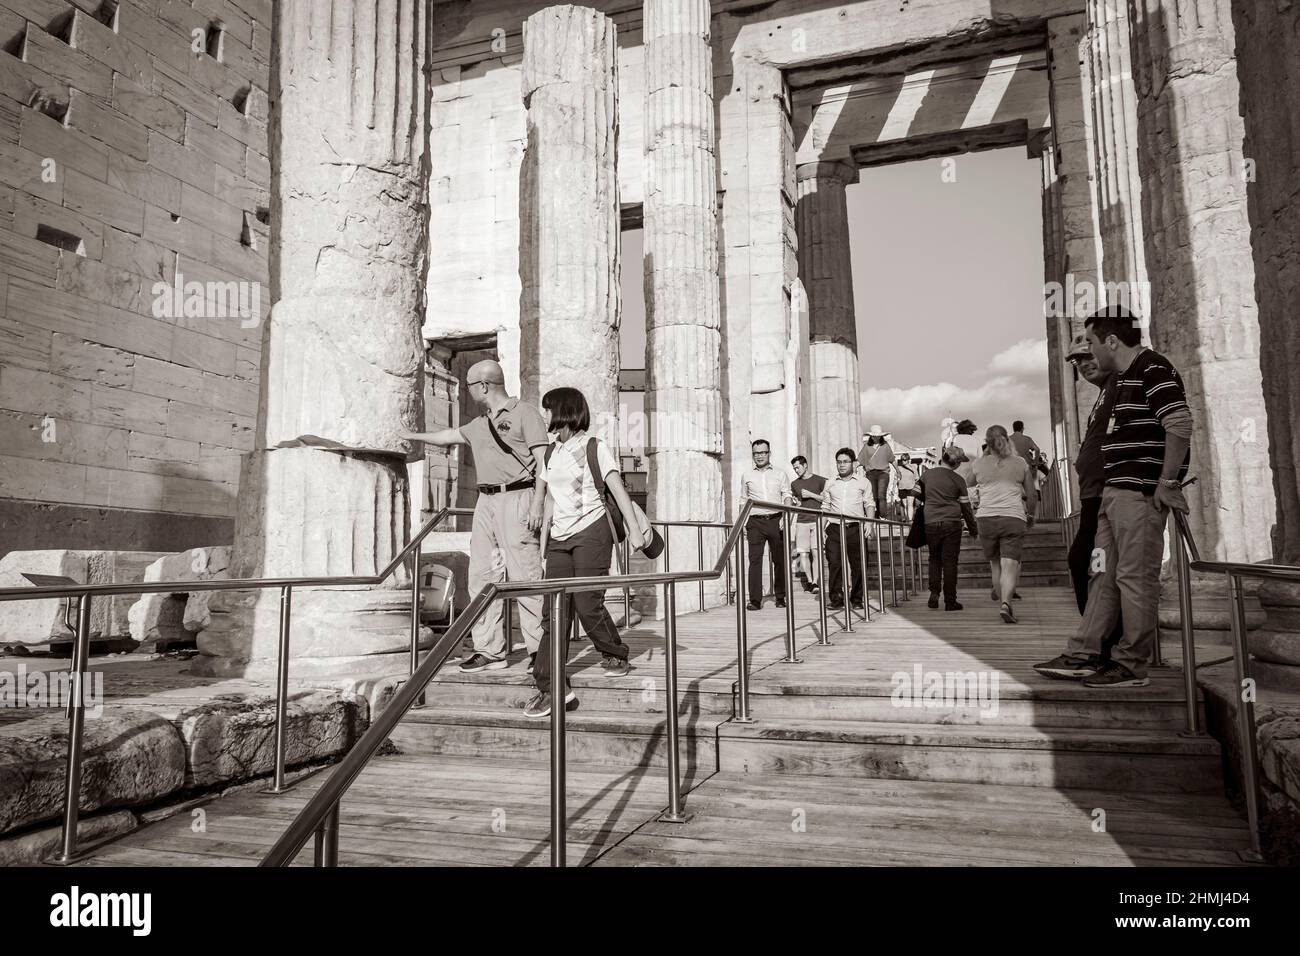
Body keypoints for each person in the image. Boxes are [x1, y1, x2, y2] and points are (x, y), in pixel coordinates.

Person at [1035, 306, 1191, 688]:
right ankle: (1085, 651)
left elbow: (1180, 421)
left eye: (1089, 342)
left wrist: (1167, 482)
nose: (1087, 353)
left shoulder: (1153, 368)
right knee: (1101, 574)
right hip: (1112, 494)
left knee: (1134, 578)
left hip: (1139, 494)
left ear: (1110, 341)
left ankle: (1132, 664)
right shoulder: (1120, 381)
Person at [401, 360, 546, 673]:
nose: (466, 390)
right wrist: (412, 435)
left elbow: (542, 461)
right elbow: (448, 436)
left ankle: (539, 651)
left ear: (484, 385)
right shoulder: (480, 423)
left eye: (468, 385)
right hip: (486, 501)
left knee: (526, 575)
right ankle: (490, 649)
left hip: (518, 496)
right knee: (482, 575)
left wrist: (538, 503)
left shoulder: (525, 412)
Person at [523, 387, 653, 719]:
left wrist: (636, 531)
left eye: (548, 409)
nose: (545, 415)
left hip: (592, 531)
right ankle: (549, 685)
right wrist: (543, 545)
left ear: (564, 411)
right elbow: (550, 498)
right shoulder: (550, 454)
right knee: (553, 610)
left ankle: (614, 651)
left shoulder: (594, 447)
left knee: (586, 601)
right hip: (559, 538)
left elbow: (616, 489)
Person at [1064, 333, 1124, 662]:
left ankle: (1103, 643)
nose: (1083, 365)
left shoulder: (1119, 383)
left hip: (1105, 495)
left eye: (1088, 356)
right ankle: (1100, 639)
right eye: (1076, 361)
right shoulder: (1102, 394)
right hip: (1092, 496)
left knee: (1090, 563)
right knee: (1089, 564)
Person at [970, 424, 1036, 624]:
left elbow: (968, 482)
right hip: (1013, 517)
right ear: (1007, 440)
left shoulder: (979, 464)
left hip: (986, 518)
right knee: (1010, 565)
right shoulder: (1020, 463)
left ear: (987, 444)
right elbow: (1032, 495)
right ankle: (1006, 604)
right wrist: (1031, 516)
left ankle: (1002, 601)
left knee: (996, 565)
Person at [918, 447, 979, 610]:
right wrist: (973, 529)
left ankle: (934, 593)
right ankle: (950, 601)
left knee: (934, 558)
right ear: (957, 463)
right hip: (952, 523)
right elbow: (966, 508)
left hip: (930, 522)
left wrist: (929, 498)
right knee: (950, 562)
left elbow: (915, 493)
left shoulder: (927, 475)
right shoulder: (958, 480)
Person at [740, 439, 795, 610]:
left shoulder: (780, 473)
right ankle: (755, 600)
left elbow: (787, 494)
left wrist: (786, 515)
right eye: (756, 453)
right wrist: (741, 522)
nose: (760, 456)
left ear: (769, 453)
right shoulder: (747, 475)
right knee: (754, 560)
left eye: (763, 452)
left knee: (779, 560)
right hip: (755, 521)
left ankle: (780, 596)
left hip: (776, 520)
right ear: (753, 455)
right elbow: (743, 499)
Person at [821, 448, 876, 610]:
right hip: (835, 528)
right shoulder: (830, 482)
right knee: (834, 564)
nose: (842, 465)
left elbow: (869, 504)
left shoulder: (863, 482)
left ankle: (857, 599)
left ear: (853, 463)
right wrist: (821, 529)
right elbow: (825, 506)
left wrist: (869, 523)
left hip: (855, 528)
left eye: (845, 462)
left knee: (858, 565)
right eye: (839, 462)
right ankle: (836, 599)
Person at [790, 455, 827, 594]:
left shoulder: (820, 480)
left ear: (805, 465)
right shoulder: (794, 484)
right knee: (803, 553)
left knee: (816, 553)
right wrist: (796, 504)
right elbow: (796, 502)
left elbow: (827, 499)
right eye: (794, 469)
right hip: (802, 521)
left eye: (798, 467)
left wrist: (811, 495)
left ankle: (816, 581)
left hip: (817, 520)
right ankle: (811, 581)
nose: (796, 470)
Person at [858, 425, 895, 518]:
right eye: (874, 436)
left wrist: (898, 471)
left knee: (881, 495)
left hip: (883, 472)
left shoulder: (885, 445)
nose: (876, 438)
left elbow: (892, 459)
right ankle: (875, 516)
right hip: (870, 473)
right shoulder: (866, 446)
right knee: (873, 496)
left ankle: (883, 516)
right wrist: (853, 468)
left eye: (878, 436)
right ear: (871, 436)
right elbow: (860, 459)